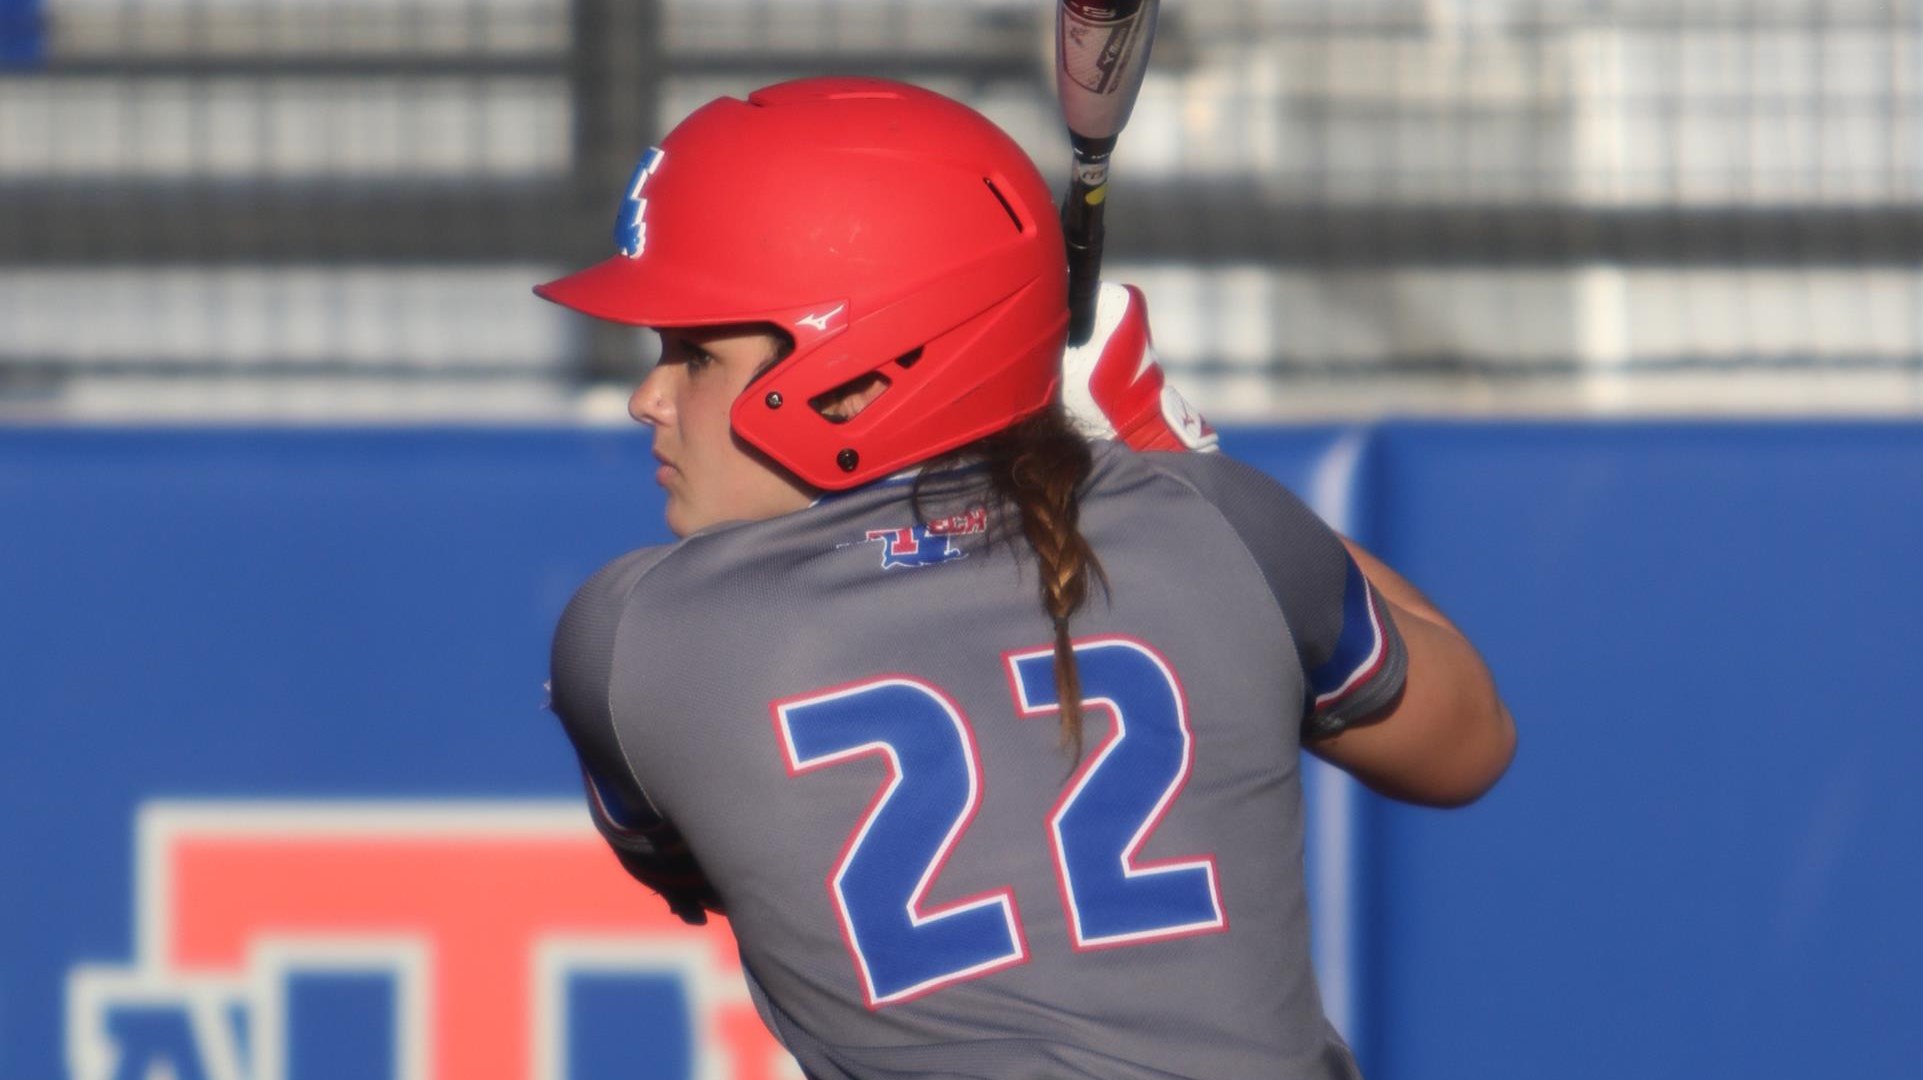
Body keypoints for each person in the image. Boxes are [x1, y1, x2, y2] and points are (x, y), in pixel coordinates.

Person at [539, 76, 1515, 1080]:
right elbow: (1468, 744)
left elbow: (703, 863)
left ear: (864, 374)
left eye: (695, 355)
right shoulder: (1213, 527)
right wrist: (1162, 443)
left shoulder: (634, 639)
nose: (648, 398)